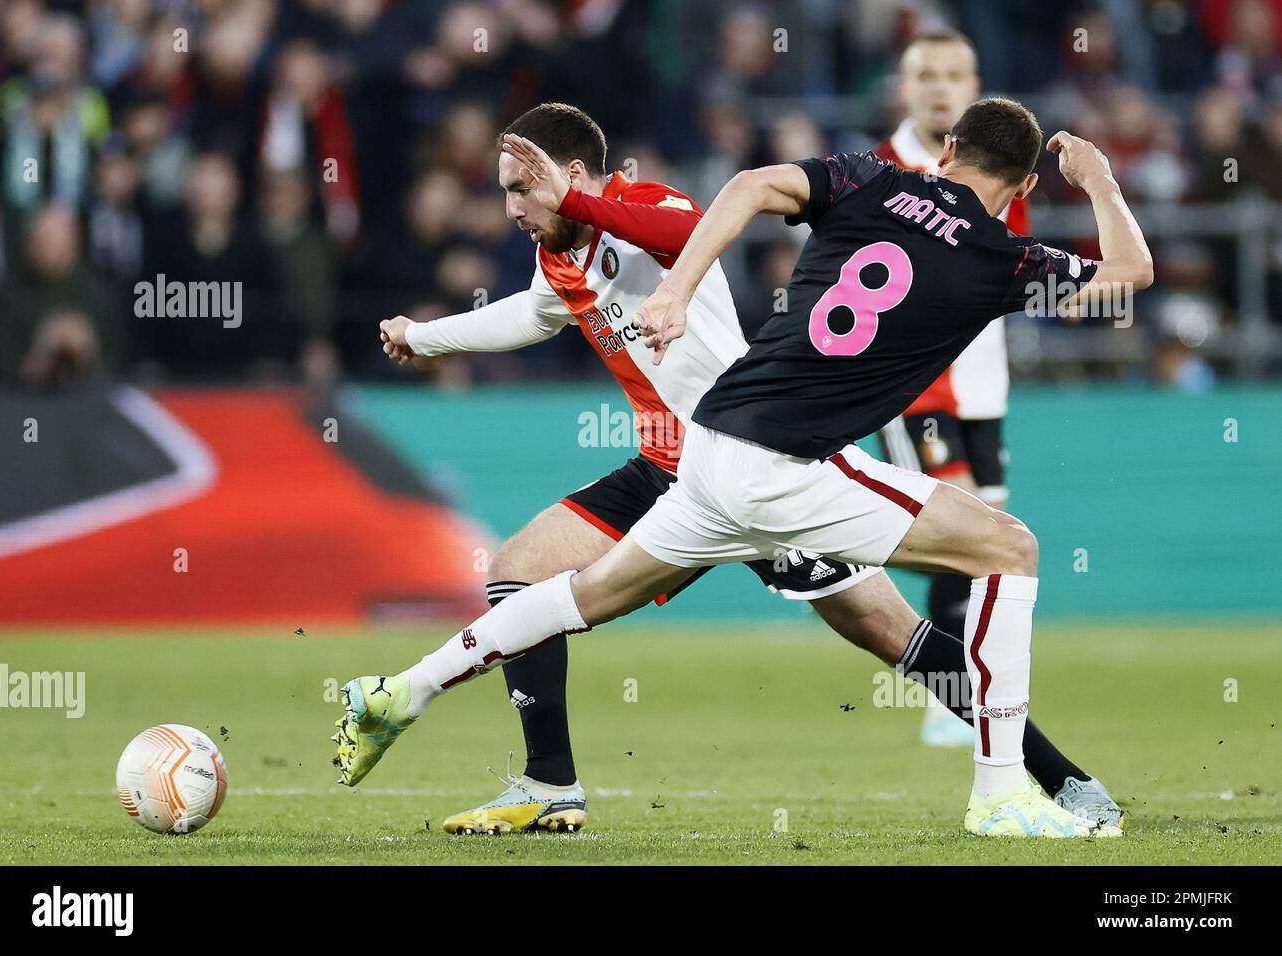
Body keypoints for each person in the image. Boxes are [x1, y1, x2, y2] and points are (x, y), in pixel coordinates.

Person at [344, 98, 1151, 837]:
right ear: (1024, 185)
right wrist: (427, 337)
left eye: (523, 188)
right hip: (707, 461)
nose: (514, 207)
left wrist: (657, 273)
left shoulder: (698, 201)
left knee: (881, 628)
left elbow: (702, 213)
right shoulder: (997, 255)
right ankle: (543, 780)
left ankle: (1058, 777)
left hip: (732, 448)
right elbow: (1129, 278)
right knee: (522, 571)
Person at [873, 29, 1028, 749]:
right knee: (957, 533)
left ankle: (964, 684)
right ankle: (950, 695)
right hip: (917, 392)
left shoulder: (1008, 171)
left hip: (982, 389)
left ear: (975, 88)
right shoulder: (877, 172)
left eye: (954, 75)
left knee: (985, 538)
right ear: (905, 89)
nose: (940, 88)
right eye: (926, 75)